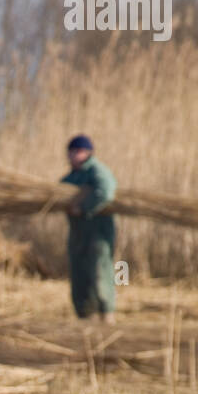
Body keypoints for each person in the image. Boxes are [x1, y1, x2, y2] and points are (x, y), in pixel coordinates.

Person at [61, 135, 117, 324]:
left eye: (78, 151)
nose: (74, 155)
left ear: (88, 152)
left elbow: (107, 191)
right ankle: (86, 316)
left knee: (99, 271)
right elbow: (58, 194)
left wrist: (83, 208)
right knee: (79, 273)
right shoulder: (70, 177)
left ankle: (106, 314)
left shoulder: (96, 171)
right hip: (77, 233)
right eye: (71, 151)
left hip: (97, 231)